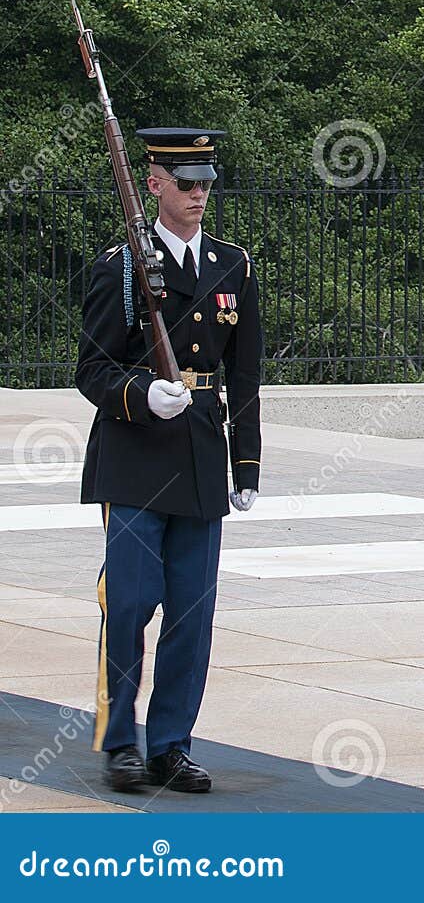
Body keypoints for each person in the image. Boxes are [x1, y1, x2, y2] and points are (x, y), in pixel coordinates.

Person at [75, 127, 263, 794]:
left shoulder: (232, 264)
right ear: (153, 183)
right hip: (131, 456)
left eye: (207, 181)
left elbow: (244, 377)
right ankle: (120, 741)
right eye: (186, 182)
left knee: (192, 611)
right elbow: (90, 369)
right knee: (128, 602)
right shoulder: (121, 265)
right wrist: (138, 392)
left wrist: (246, 466)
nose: (200, 193)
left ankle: (171, 744)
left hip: (200, 453)